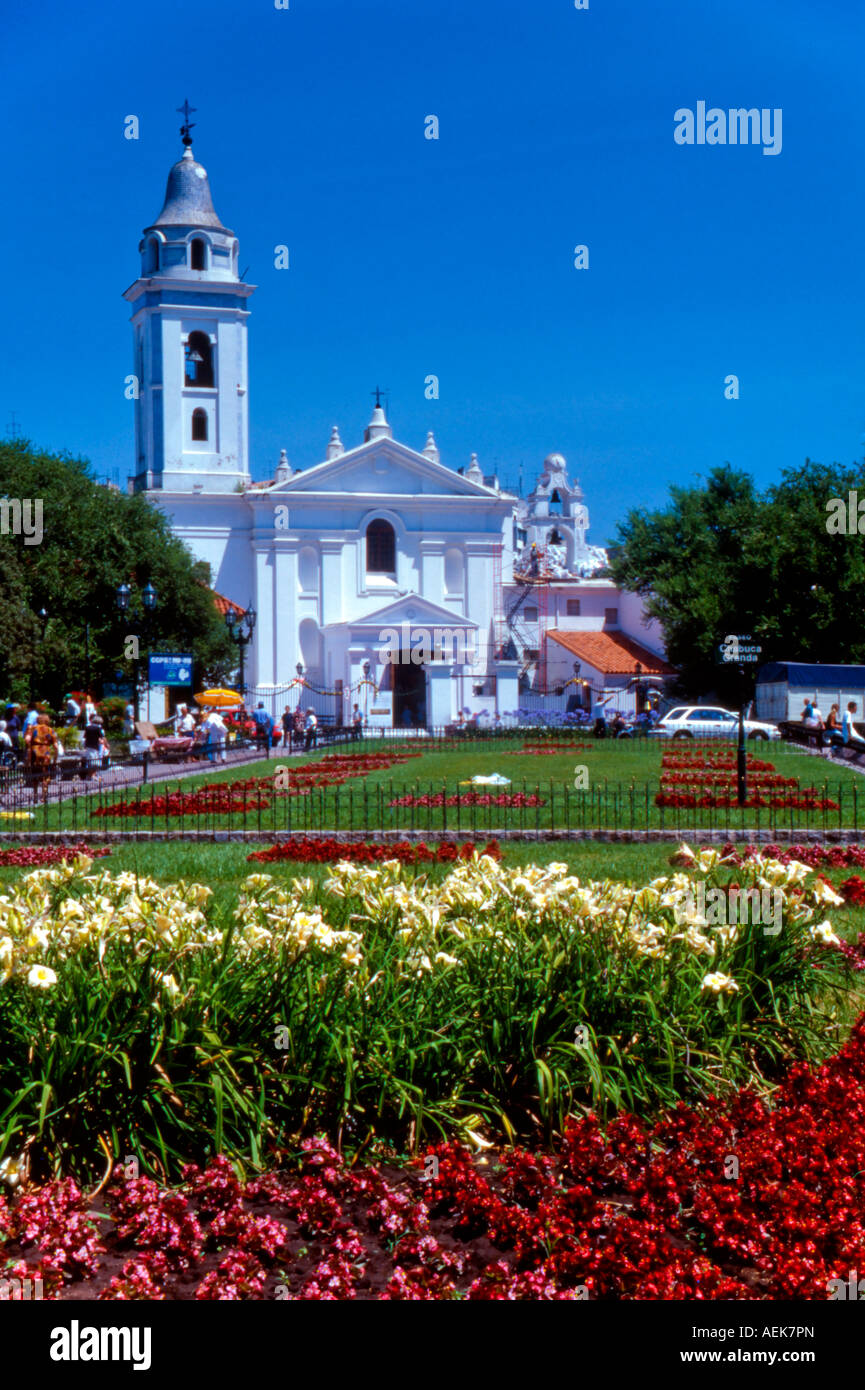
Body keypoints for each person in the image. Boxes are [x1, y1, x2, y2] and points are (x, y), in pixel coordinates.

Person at [26, 713, 58, 799]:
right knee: (45, 774)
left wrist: (29, 747)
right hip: (46, 752)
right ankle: (44, 796)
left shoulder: (32, 728)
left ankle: (35, 793)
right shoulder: (51, 730)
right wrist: (55, 758)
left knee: (35, 773)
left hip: (35, 751)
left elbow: (27, 739)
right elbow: (55, 746)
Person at [82, 715, 109, 780]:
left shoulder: (87, 728)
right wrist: (106, 744)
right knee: (95, 763)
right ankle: (90, 776)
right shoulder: (98, 729)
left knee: (90, 762)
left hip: (88, 746)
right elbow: (102, 738)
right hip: (95, 747)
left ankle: (90, 775)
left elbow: (84, 737)